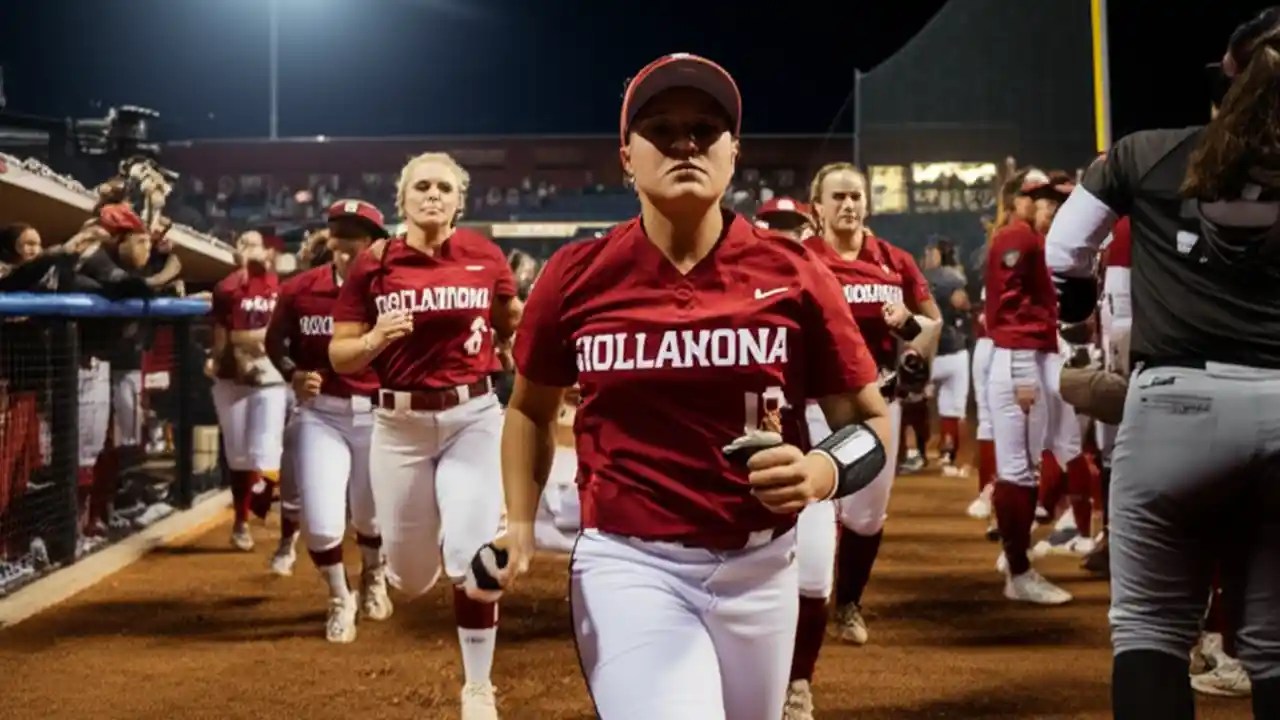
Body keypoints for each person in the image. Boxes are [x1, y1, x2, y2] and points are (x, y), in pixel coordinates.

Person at [488, 54, 891, 720]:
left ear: (735, 154)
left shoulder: (794, 271)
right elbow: (529, 410)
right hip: (629, 562)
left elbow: (871, 422)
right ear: (626, 156)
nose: (685, 143)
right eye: (661, 129)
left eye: (706, 129)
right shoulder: (576, 273)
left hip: (763, 567)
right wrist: (520, 523)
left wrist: (821, 470)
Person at [1045, 8, 1280, 718]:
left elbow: (1064, 251)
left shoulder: (1147, 152)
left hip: (1175, 404)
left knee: (1149, 631)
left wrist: (1078, 309)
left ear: (1224, 79)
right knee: (1273, 646)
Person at [328, 151, 520, 718]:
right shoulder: (374, 263)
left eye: (443, 187)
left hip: (473, 417)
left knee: (469, 554)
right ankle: (427, 547)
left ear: (460, 200)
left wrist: (512, 343)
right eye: (421, 187)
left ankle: (478, 685)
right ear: (402, 200)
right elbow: (340, 355)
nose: (432, 195)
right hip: (399, 424)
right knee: (412, 577)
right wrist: (374, 340)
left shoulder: (484, 255)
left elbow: (510, 316)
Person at [802, 162, 941, 655]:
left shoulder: (895, 261)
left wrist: (910, 334)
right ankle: (801, 621)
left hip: (879, 404)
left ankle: (849, 603)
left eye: (856, 196)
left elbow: (932, 324)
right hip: (815, 404)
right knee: (811, 509)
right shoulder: (800, 258)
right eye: (837, 197)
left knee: (866, 516)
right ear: (816, 206)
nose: (848, 205)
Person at [266, 199, 391, 643]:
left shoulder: (392, 289)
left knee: (371, 518)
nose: (347, 249)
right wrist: (292, 373)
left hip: (379, 414)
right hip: (321, 417)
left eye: (358, 240)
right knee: (321, 523)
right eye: (341, 239)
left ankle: (373, 576)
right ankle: (340, 596)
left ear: (376, 245)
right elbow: (274, 343)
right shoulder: (300, 289)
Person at [984, 168, 1079, 606]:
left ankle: (1016, 561)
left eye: (1053, 202)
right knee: (1019, 472)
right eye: (1040, 200)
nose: (1048, 208)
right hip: (1019, 359)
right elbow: (1012, 306)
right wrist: (1024, 371)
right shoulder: (1017, 238)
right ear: (1019, 200)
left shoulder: (1022, 237)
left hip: (1025, 357)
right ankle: (1018, 570)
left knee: (1023, 471)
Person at [207, 230, 289, 552]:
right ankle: (241, 522)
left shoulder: (279, 286)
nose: (250, 249)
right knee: (239, 456)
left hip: (270, 373)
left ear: (267, 252)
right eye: (243, 243)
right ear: (235, 252)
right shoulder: (226, 288)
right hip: (232, 375)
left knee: (268, 450)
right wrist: (220, 358)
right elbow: (220, 332)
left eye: (255, 244)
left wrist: (250, 337)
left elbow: (275, 331)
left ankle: (265, 502)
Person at [922, 236, 973, 476]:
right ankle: (952, 458)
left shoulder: (922, 277)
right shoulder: (955, 277)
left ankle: (915, 454)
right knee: (954, 408)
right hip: (954, 351)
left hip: (928, 352)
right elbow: (962, 303)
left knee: (912, 403)